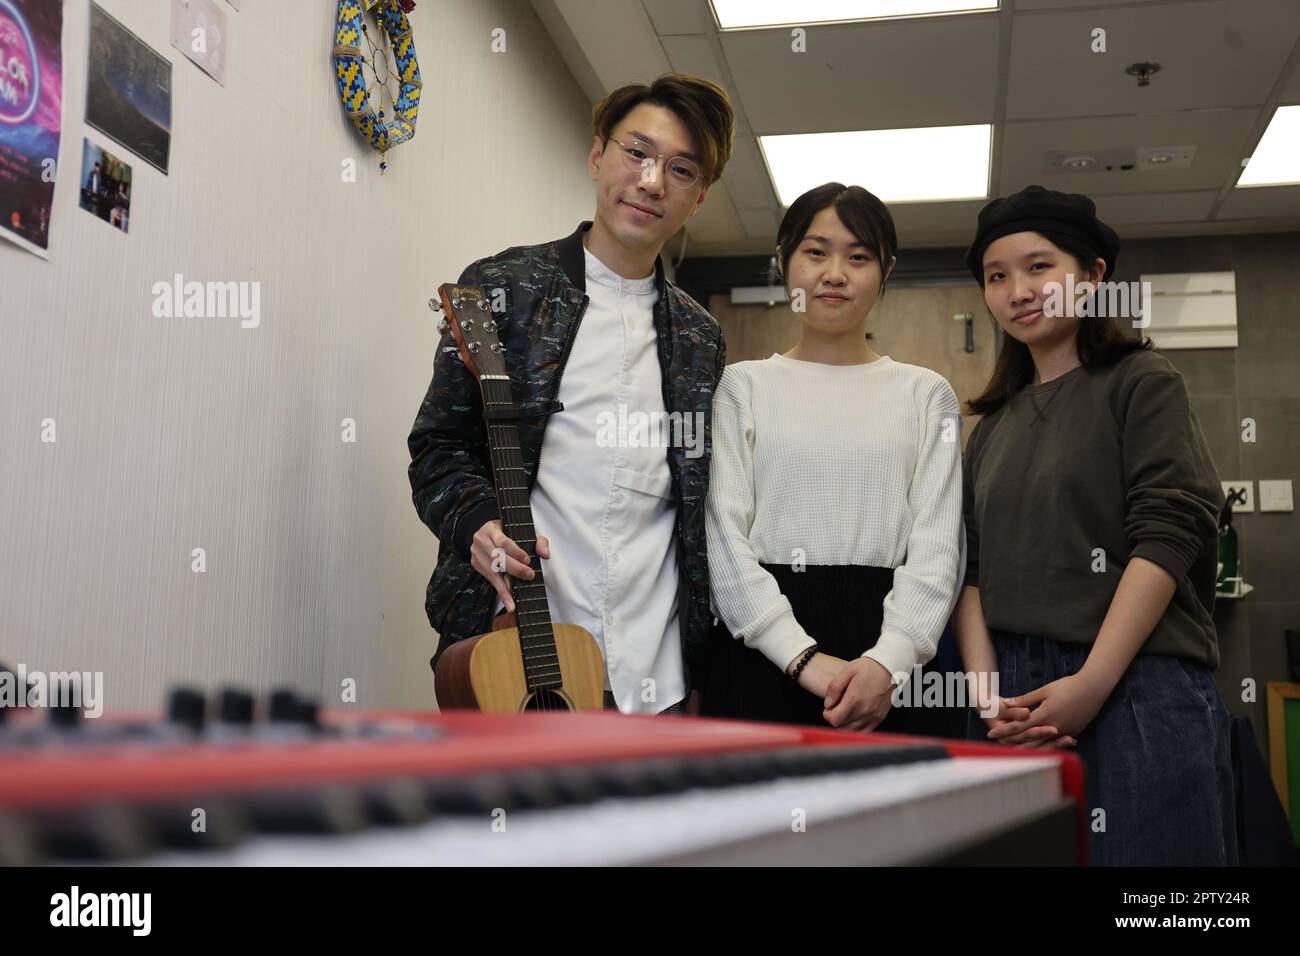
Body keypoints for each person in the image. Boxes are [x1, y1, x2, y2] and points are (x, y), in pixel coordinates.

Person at [408, 74, 734, 714]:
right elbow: (439, 448)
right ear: (597, 156)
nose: (651, 181)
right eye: (636, 152)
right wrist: (476, 523)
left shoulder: (701, 339)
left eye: (681, 169)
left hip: (655, 674)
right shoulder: (503, 288)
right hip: (516, 659)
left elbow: (698, 502)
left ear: (698, 199)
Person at [953, 184, 1237, 865]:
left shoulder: (1142, 382)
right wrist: (990, 698)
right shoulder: (990, 428)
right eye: (997, 276)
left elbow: (1169, 532)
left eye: (1039, 266)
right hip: (1015, 702)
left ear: (1093, 275)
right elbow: (971, 572)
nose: (1018, 290)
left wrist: (1091, 684)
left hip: (1136, 685)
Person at [703, 182, 963, 733]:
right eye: (816, 252)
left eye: (859, 256)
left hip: (893, 661)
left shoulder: (926, 393)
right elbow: (723, 539)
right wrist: (800, 657)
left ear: (886, 272)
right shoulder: (740, 386)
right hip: (762, 650)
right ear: (784, 263)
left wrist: (886, 663)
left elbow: (939, 548)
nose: (835, 273)